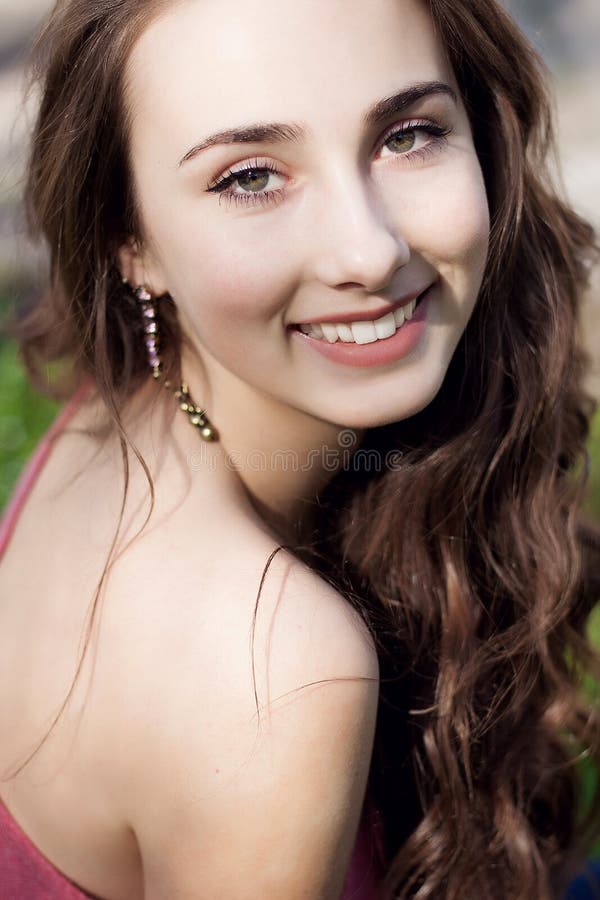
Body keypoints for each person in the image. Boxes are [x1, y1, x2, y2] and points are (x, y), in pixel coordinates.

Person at [1, 0, 600, 897]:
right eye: (249, 177)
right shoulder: (272, 670)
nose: (368, 248)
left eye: (407, 134)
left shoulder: (128, 406)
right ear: (132, 243)